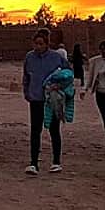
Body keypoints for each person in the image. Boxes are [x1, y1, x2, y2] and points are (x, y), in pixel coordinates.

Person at [23, 29, 68, 175]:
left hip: (52, 99)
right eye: (35, 43)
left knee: (54, 130)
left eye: (40, 44)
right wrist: (27, 92)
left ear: (47, 44)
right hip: (35, 98)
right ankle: (33, 163)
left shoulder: (56, 57)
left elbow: (68, 74)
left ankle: (56, 162)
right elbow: (26, 77)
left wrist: (60, 87)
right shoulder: (29, 57)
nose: (37, 46)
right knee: (35, 131)